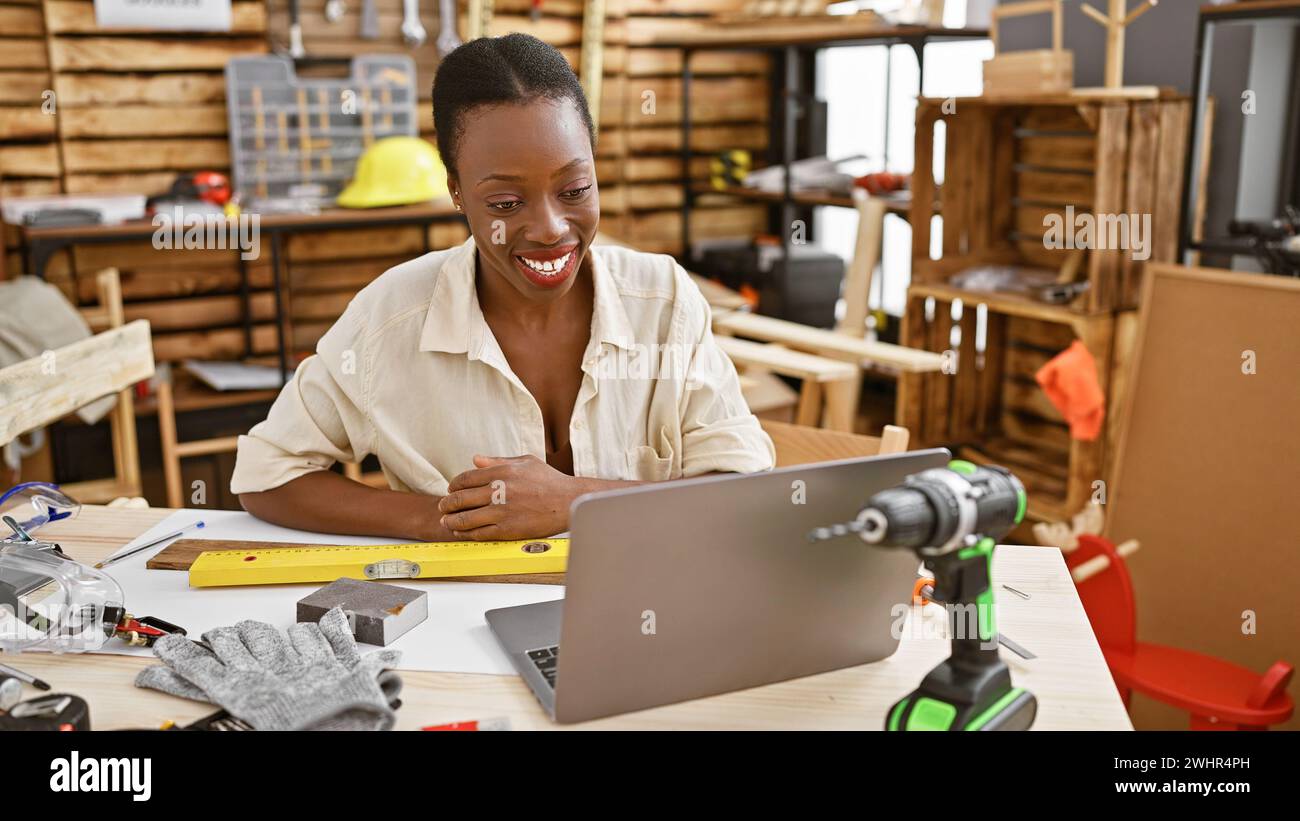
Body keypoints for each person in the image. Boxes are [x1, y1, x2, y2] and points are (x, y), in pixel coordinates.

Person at [231, 33, 775, 541]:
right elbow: (266, 474)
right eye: (506, 204)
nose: (549, 229)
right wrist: (445, 520)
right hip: (463, 628)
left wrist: (574, 501)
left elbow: (741, 493)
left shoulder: (665, 301)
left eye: (575, 189)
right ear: (458, 193)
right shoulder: (391, 317)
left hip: (646, 615)